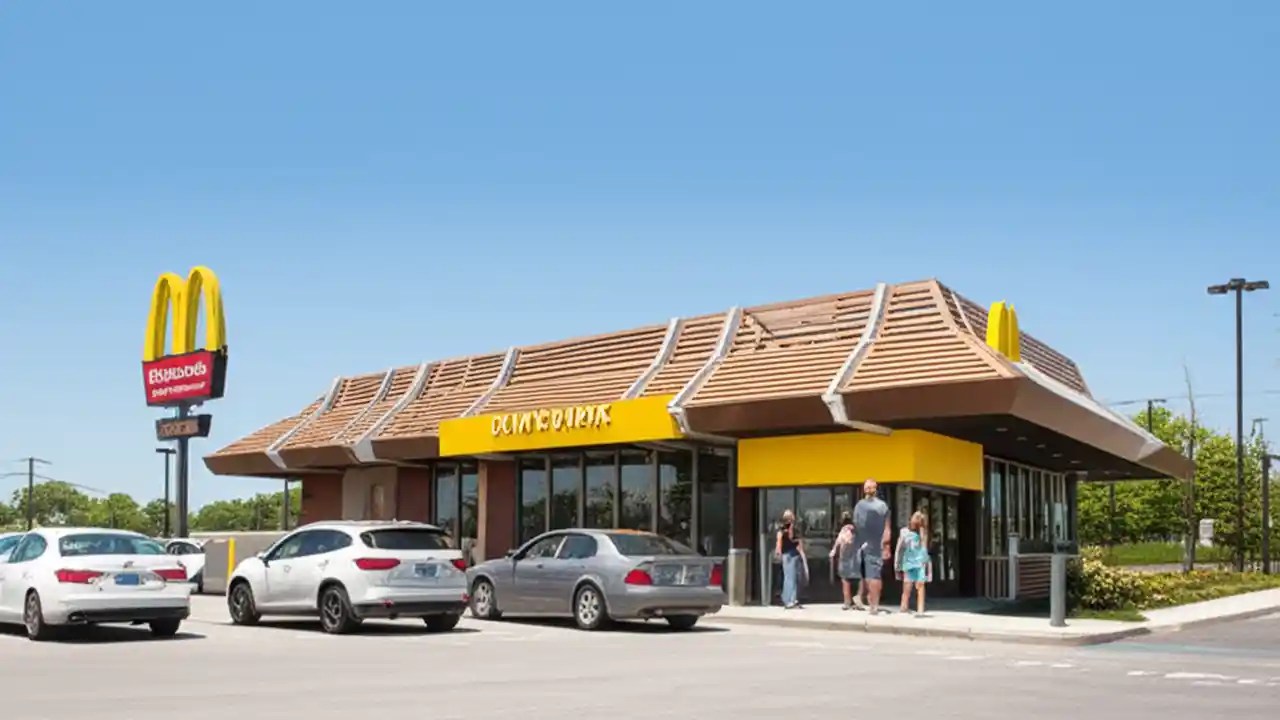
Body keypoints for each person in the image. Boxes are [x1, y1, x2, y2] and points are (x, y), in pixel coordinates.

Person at [851, 479, 891, 614]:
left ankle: (873, 604)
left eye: (868, 488)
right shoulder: (882, 506)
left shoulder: (861, 506)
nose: (867, 490)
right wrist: (885, 545)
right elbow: (887, 528)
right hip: (871, 544)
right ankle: (872, 602)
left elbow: (856, 525)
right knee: (873, 574)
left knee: (870, 576)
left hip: (866, 544)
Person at [896, 511, 930, 615]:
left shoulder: (922, 532)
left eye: (920, 519)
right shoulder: (904, 531)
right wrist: (897, 563)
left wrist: (925, 562)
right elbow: (899, 547)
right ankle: (904, 606)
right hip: (908, 561)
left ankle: (920, 609)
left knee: (920, 585)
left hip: (919, 561)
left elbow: (924, 547)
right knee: (907, 585)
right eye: (916, 518)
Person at [775, 509, 804, 609]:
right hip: (788, 554)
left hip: (793, 553)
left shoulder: (790, 528)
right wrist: (778, 551)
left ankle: (793, 599)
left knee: (794, 577)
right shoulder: (784, 529)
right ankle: (788, 600)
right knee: (789, 577)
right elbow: (786, 539)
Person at [828, 511, 857, 610]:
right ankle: (853, 600)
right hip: (854, 556)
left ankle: (847, 601)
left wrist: (833, 551)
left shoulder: (844, 530)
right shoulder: (855, 530)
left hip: (845, 556)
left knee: (845, 580)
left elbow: (839, 541)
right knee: (853, 579)